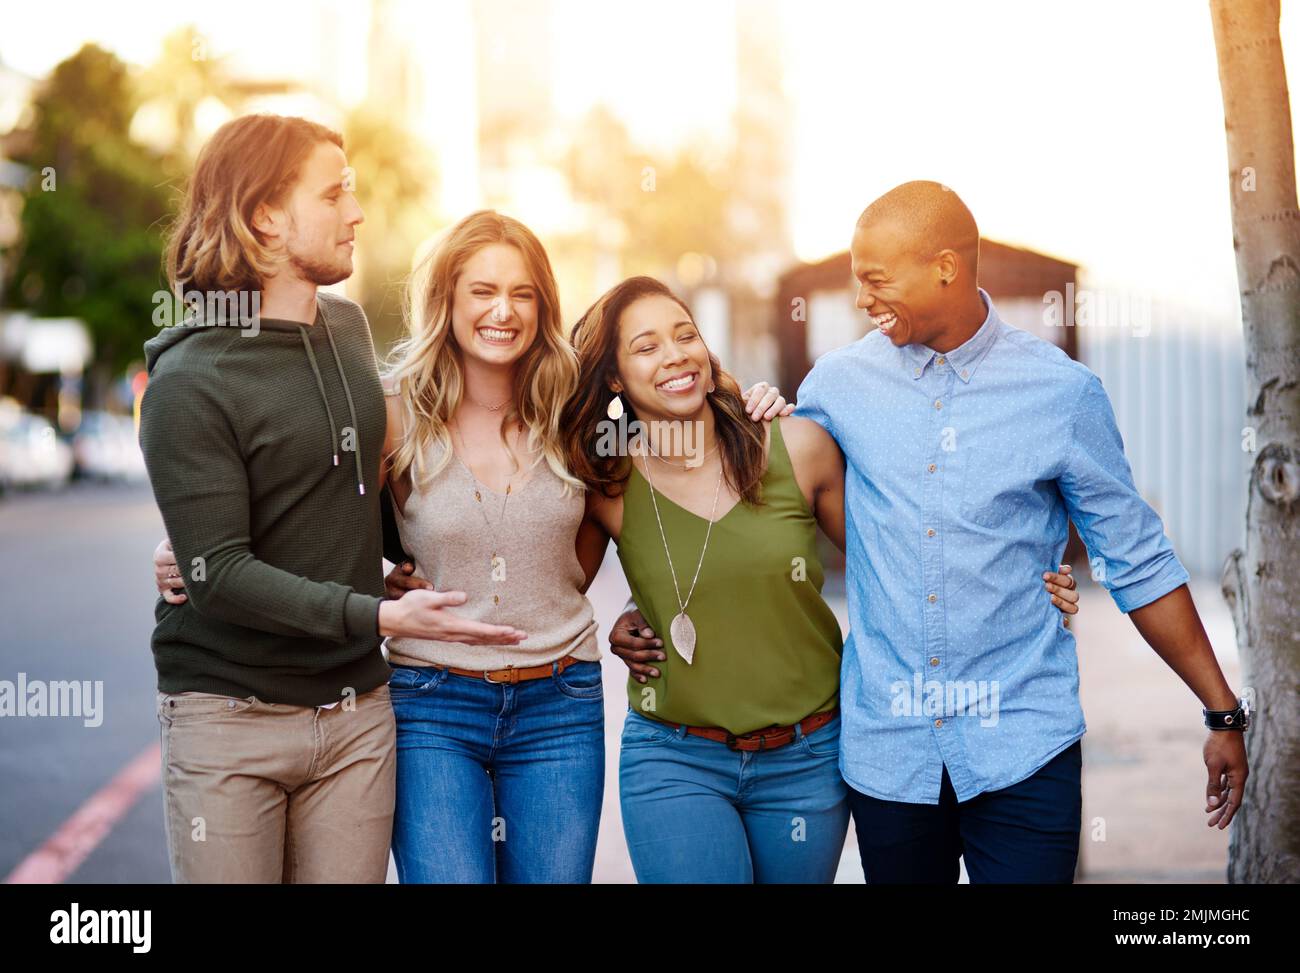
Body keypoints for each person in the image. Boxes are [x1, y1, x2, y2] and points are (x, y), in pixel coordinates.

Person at [791, 179, 1246, 883]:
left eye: (875, 279)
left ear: (945, 266)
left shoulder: (1061, 393)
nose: (860, 300)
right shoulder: (837, 385)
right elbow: (754, 503)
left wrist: (1220, 711)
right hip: (890, 752)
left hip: (1023, 745)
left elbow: (1137, 558)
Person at [575, 276, 1080, 882]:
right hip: (673, 755)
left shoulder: (799, 446)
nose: (676, 354)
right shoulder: (603, 483)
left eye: (686, 335)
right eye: (646, 346)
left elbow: (902, 556)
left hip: (806, 757)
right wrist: (633, 608)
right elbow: (554, 586)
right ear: (612, 378)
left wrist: (1032, 579)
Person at [140, 115, 517, 883]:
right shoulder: (188, 382)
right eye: (335, 193)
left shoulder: (345, 330)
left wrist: (390, 561)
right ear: (264, 216)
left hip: (355, 719)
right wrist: (375, 613)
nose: (357, 212)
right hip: (228, 719)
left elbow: (352, 481)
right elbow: (219, 572)